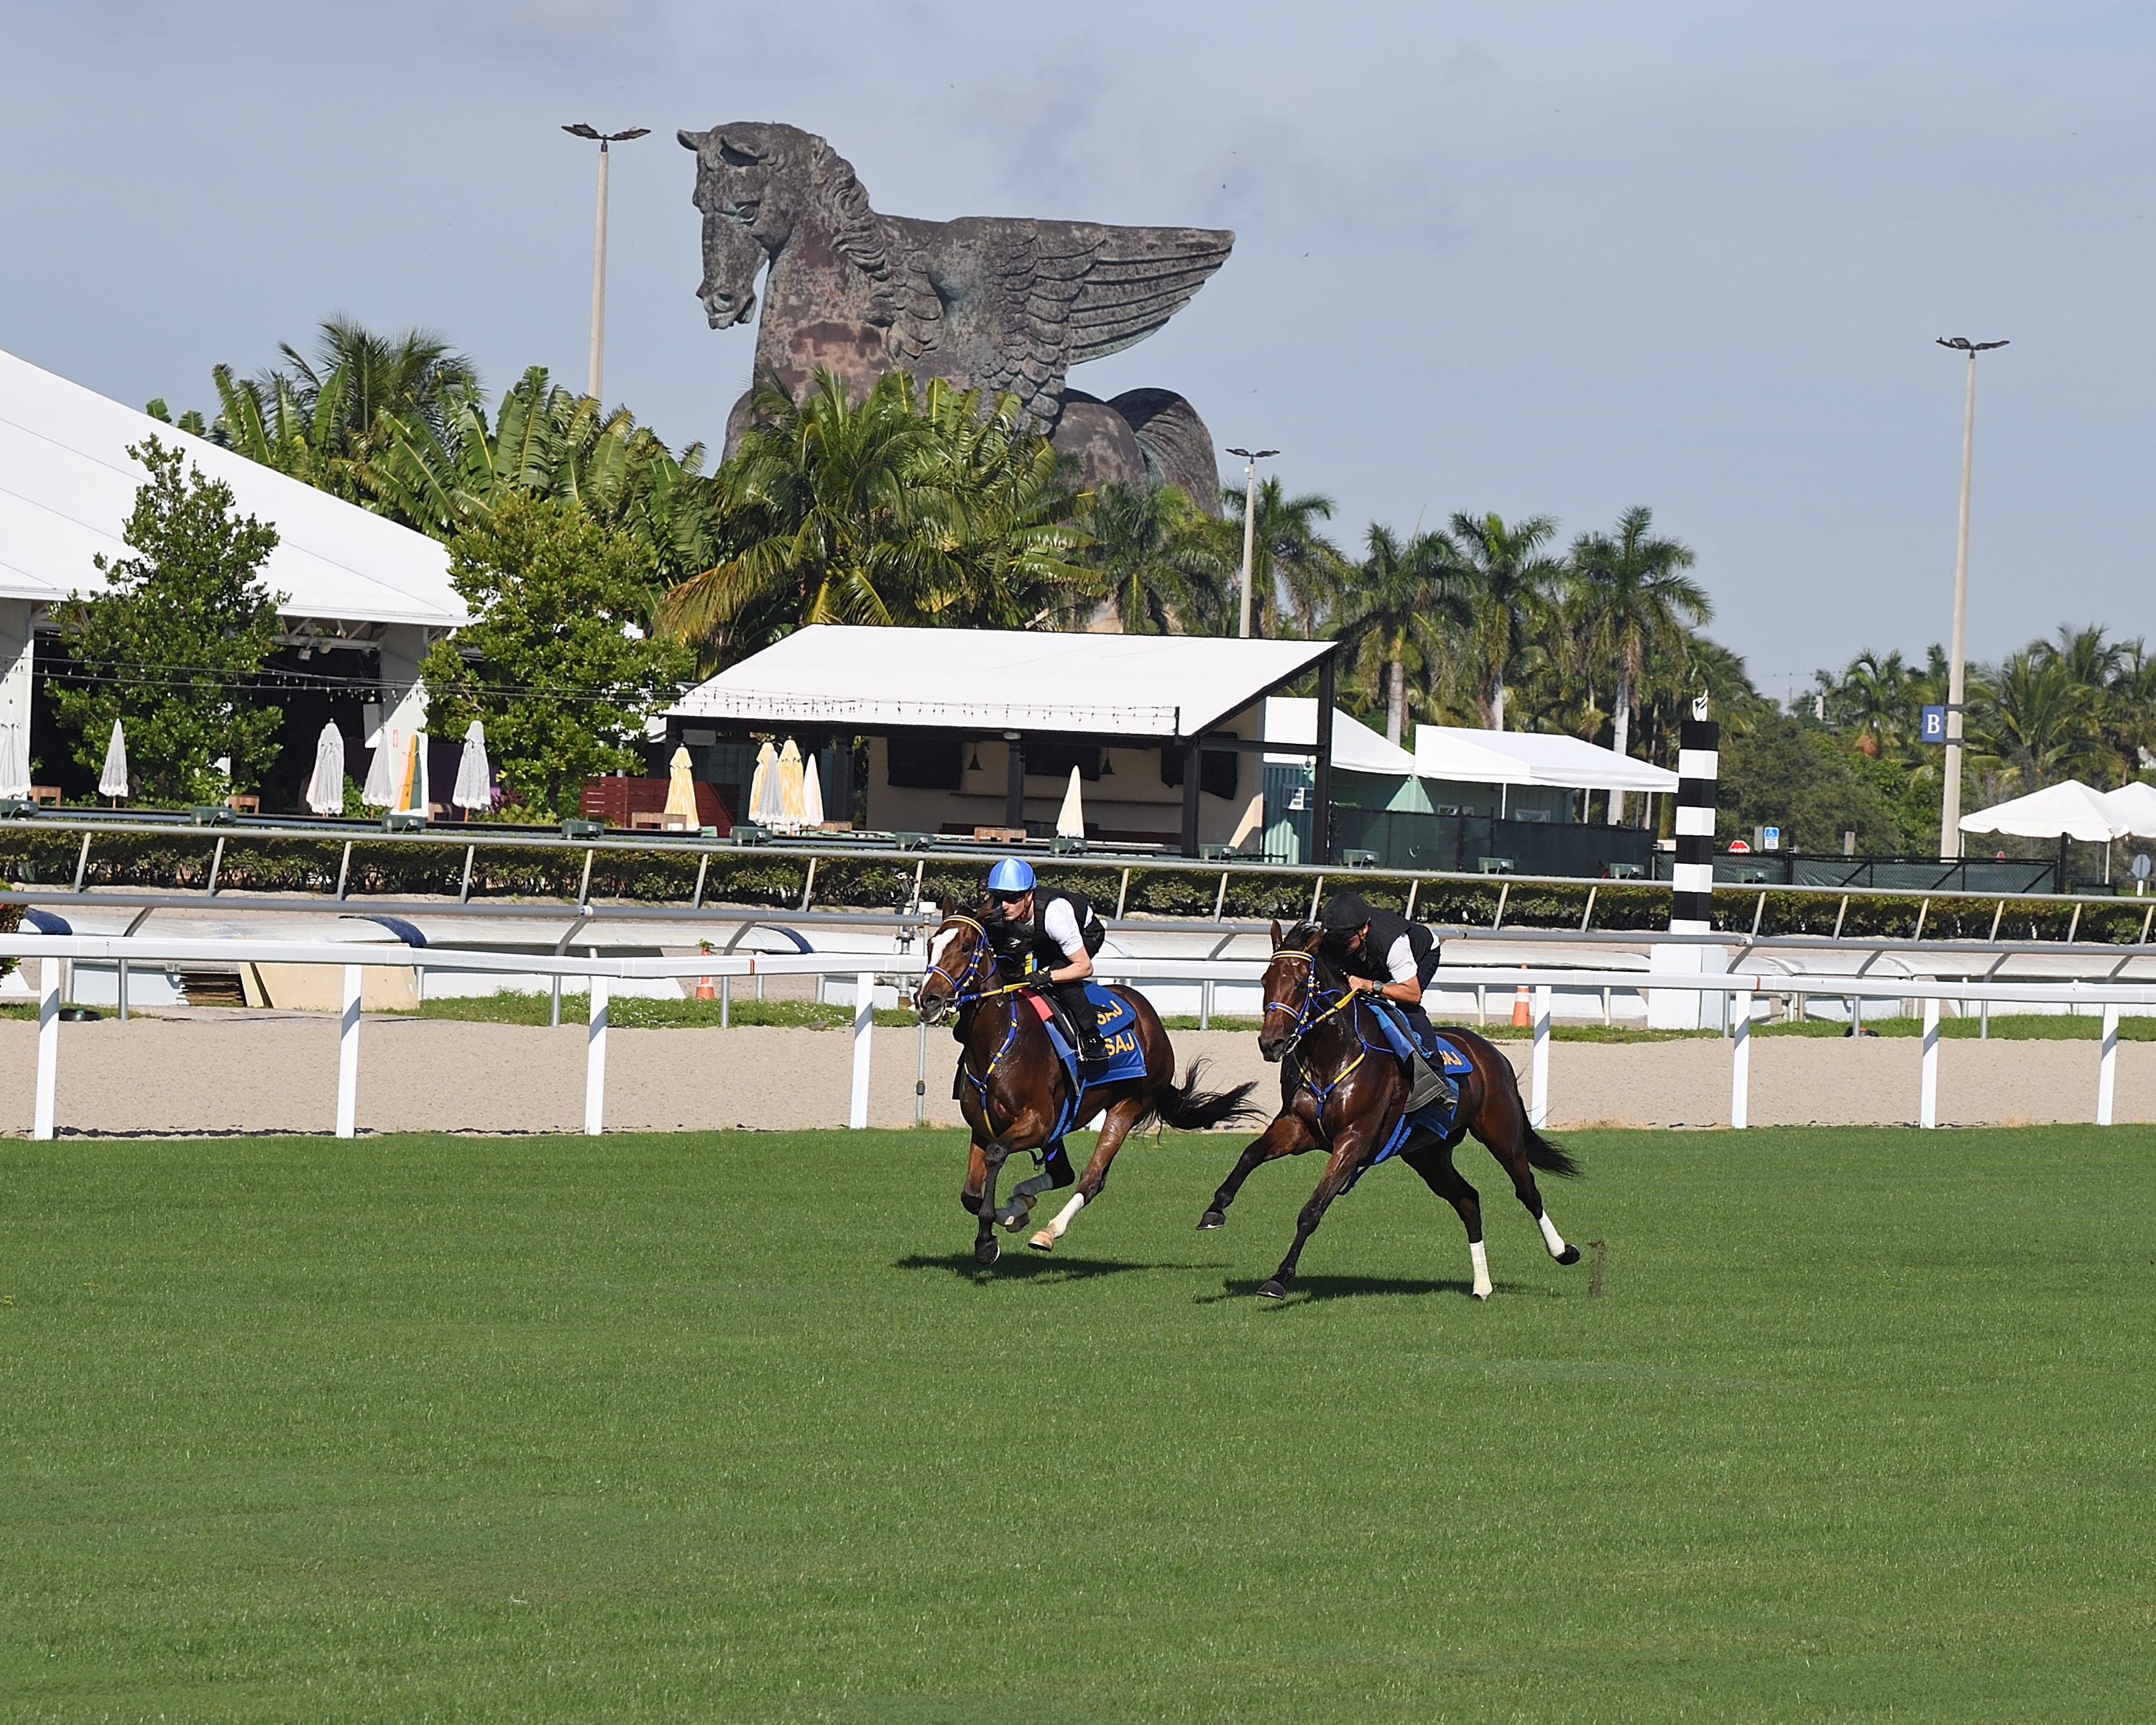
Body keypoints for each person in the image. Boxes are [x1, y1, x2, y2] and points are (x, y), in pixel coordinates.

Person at [1317, 890, 1454, 1115]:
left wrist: (1372, 985)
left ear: (1364, 930)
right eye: (1335, 941)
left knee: (1408, 1008)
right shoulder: (1339, 940)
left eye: (1346, 941)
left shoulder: (1393, 943)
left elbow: (1412, 993)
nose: (1340, 947)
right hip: (1373, 963)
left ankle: (1438, 1080)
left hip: (1422, 955)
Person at [984, 857, 1111, 1074]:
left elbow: (1084, 968)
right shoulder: (1001, 909)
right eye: (999, 898)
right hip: (1041, 937)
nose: (1004, 906)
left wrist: (1047, 977)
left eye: (1012, 898)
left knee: (1060, 972)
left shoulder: (1055, 914)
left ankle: (1091, 1036)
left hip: (1084, 934)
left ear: (1029, 895)